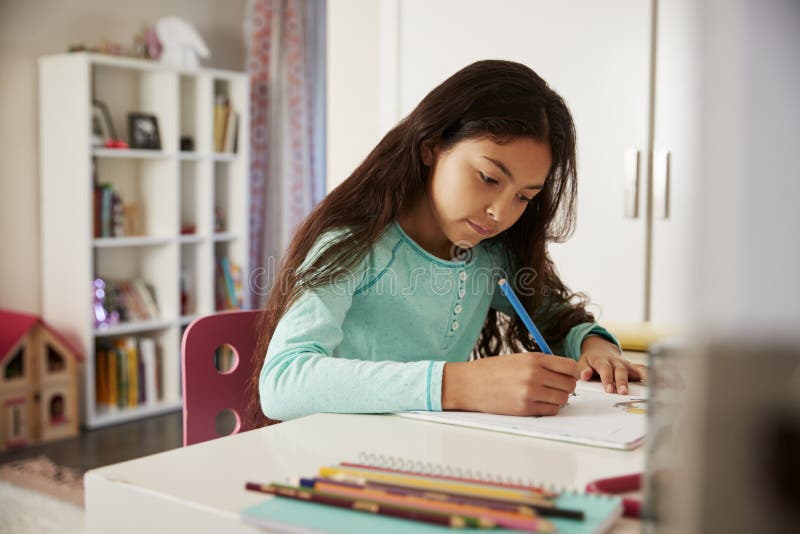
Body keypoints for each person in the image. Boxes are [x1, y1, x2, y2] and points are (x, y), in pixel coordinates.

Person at [251, 60, 646, 424]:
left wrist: (594, 346)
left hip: (429, 455)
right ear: (431, 147)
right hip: (340, 463)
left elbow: (554, 317)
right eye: (489, 178)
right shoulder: (353, 245)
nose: (500, 212)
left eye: (523, 197)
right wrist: (458, 385)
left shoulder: (489, 257)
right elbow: (283, 382)